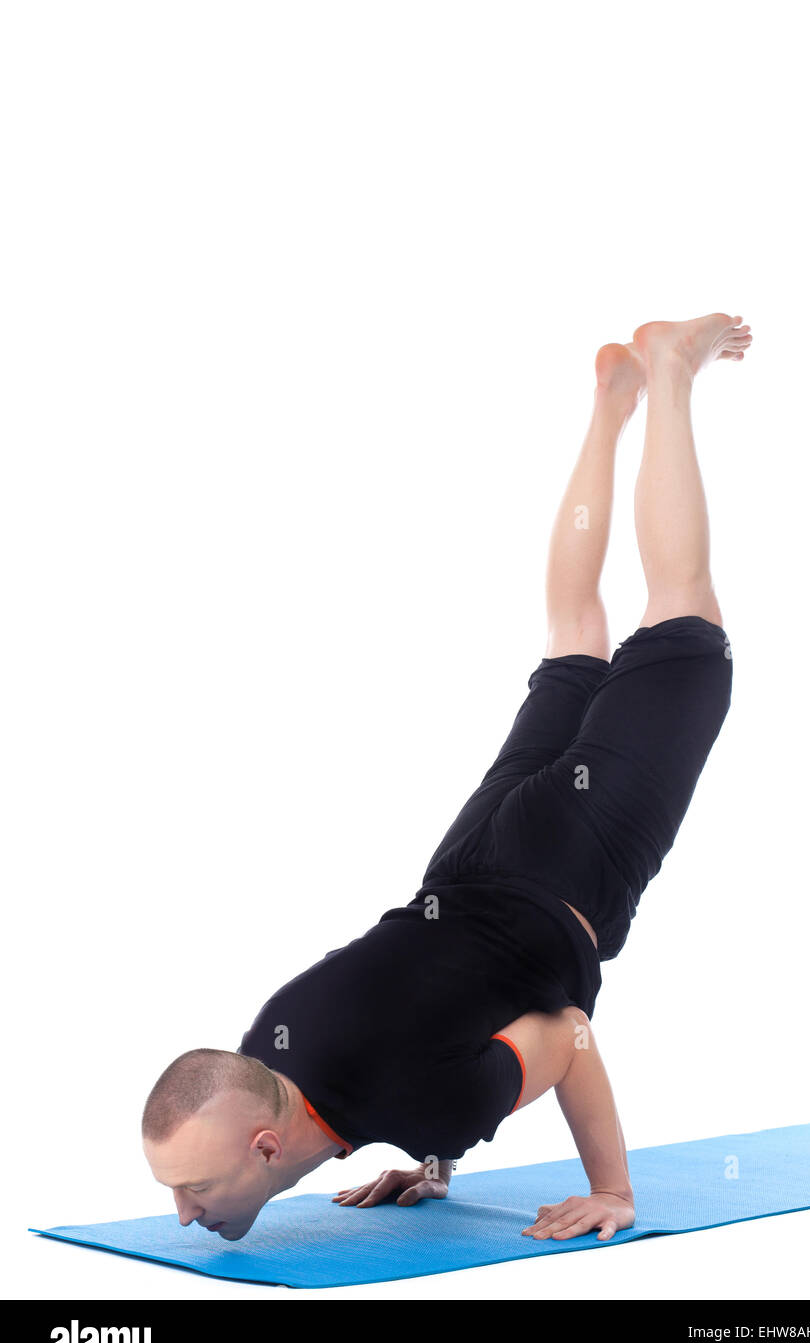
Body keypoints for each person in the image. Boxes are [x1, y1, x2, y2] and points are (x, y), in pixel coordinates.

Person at [142, 312, 751, 1244]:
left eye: (193, 1189)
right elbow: (414, 1018)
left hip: (561, 864)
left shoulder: (416, 1099)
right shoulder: (267, 1049)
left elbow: (566, 1037)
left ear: (265, 1147)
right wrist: (432, 1160)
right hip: (470, 863)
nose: (184, 1214)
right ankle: (611, 400)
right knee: (572, 643)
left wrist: (612, 1192)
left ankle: (665, 371)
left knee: (683, 624)